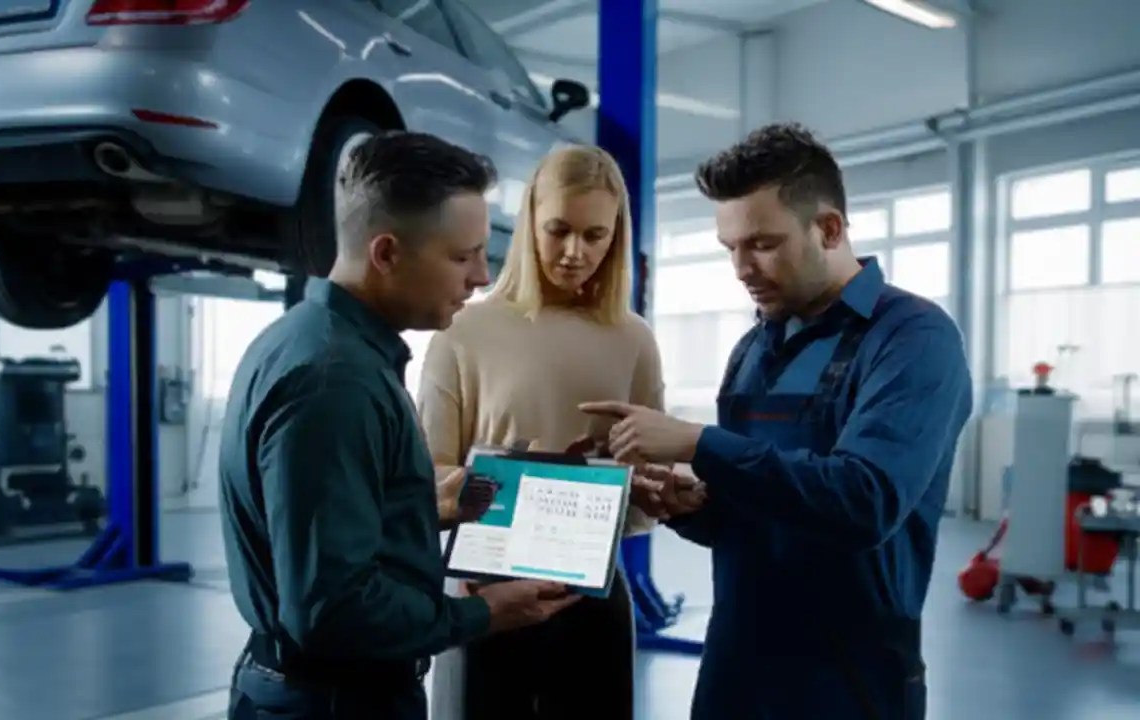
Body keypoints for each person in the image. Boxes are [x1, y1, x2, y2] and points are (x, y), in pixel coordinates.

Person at [580, 122, 974, 720]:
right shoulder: (755, 347)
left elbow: (864, 500)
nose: (741, 267)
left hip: (848, 678)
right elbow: (758, 510)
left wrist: (697, 442)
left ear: (830, 228)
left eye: (762, 243)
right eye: (730, 248)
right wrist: (696, 507)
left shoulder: (913, 339)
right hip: (737, 667)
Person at [217, 130, 582, 720]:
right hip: (337, 702)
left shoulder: (311, 340)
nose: (480, 278)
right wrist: (485, 614)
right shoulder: (336, 382)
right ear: (386, 254)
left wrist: (418, 511)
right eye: (462, 257)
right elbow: (331, 611)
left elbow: (319, 536)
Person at [417, 144, 665, 720]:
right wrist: (505, 482)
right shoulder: (462, 331)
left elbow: (647, 492)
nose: (575, 253)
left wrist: (633, 479)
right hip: (486, 596)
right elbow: (424, 478)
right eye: (558, 230)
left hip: (591, 597)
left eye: (595, 235)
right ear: (530, 218)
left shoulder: (633, 338)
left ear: (616, 237)